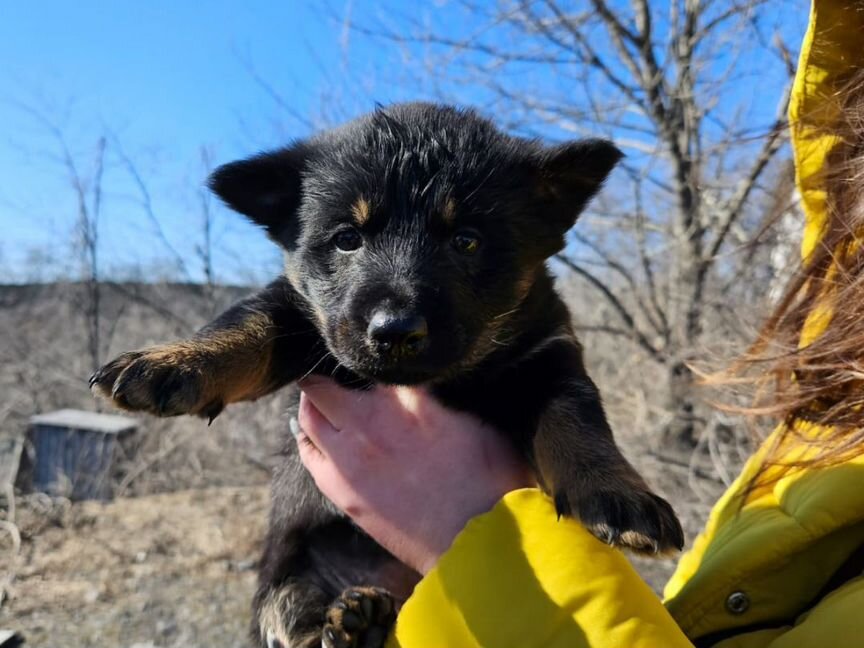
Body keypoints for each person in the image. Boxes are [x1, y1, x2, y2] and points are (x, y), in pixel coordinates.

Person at [296, 1, 864, 645]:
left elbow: (553, 385)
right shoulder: (836, 386)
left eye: (465, 243)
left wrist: (473, 528)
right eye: (348, 240)